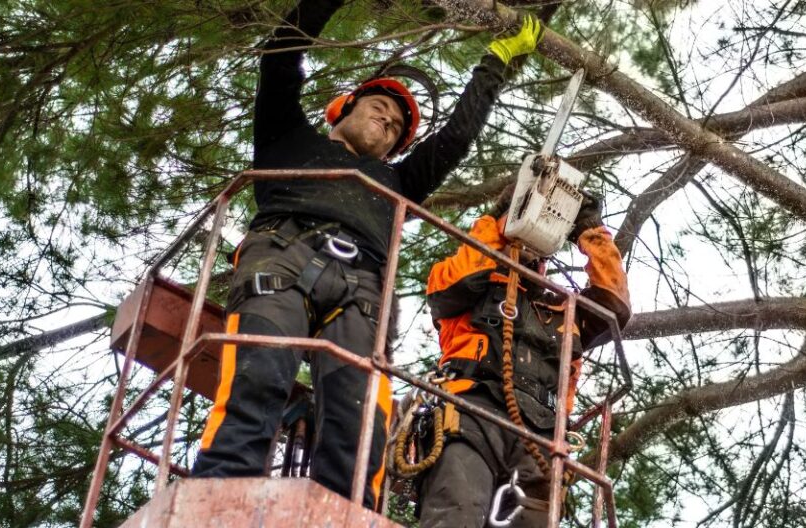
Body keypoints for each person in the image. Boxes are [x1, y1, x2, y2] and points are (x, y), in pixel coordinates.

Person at [190, 0, 544, 510]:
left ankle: (348, 514)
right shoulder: (286, 138)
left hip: (360, 287)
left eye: (398, 125)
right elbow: (281, 58)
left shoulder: (399, 182)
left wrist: (495, 62)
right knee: (258, 377)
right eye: (379, 105)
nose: (389, 118)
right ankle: (216, 501)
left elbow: (457, 137)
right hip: (281, 257)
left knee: (360, 418)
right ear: (343, 107)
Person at [410, 187, 631, 527]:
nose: (529, 256)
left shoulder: (565, 311)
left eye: (536, 255)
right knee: (457, 510)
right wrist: (499, 220)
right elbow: (460, 279)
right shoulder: (470, 288)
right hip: (471, 414)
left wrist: (589, 230)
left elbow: (614, 305)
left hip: (541, 436)